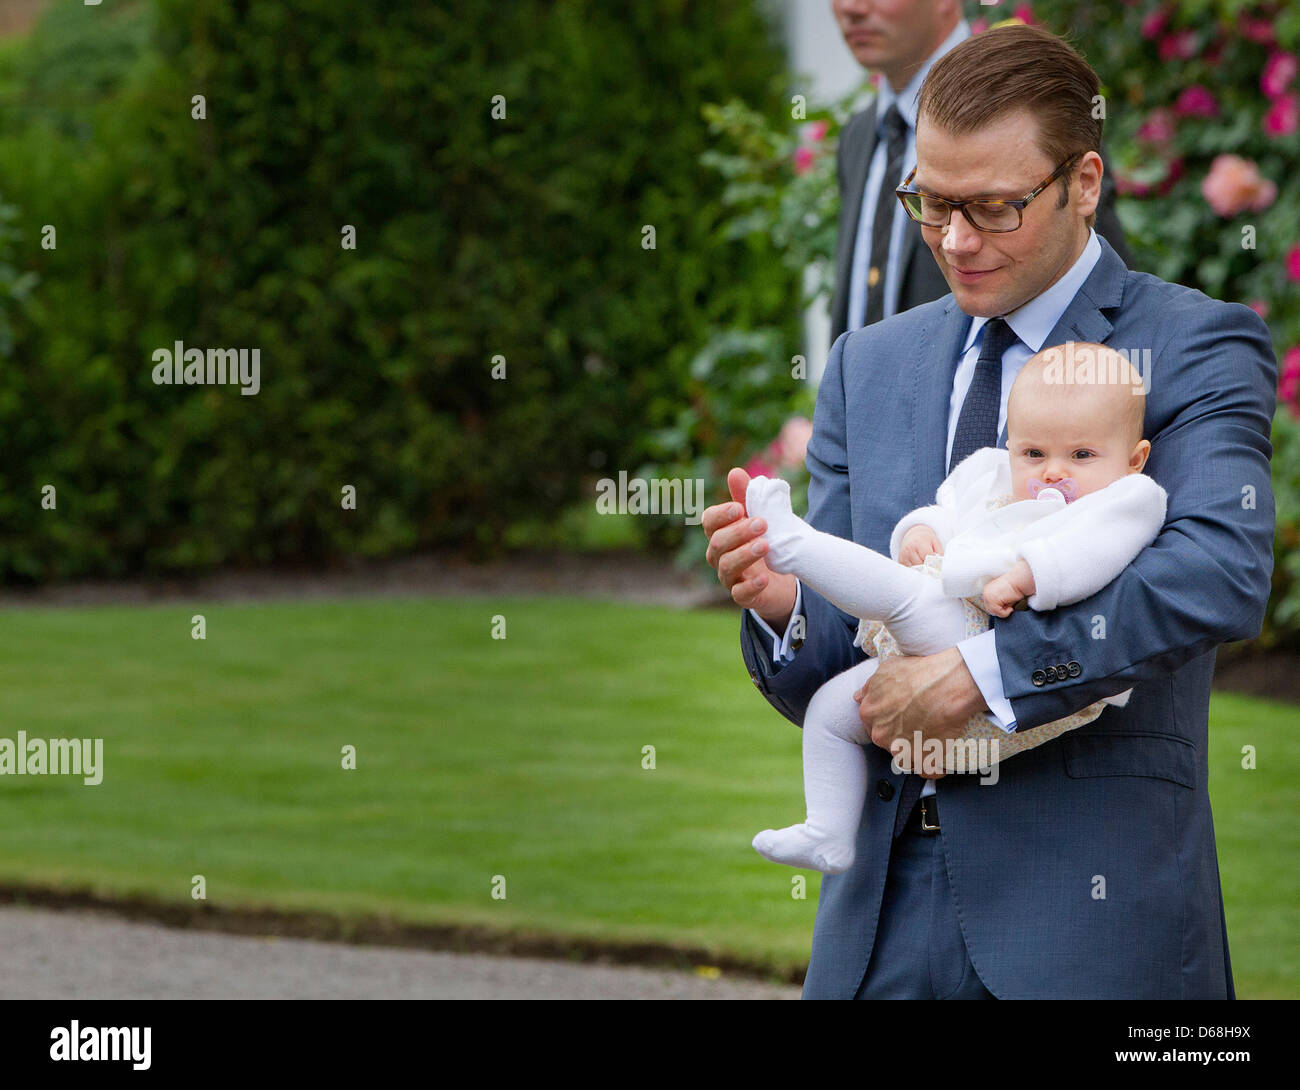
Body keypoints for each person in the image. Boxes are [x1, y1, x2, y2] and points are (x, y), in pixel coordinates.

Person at [702, 24, 1276, 999]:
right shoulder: (866, 365)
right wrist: (782, 602)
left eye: (993, 207)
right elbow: (849, 662)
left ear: (1083, 181)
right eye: (929, 203)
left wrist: (982, 672)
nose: (955, 240)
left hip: (1086, 932)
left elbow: (1215, 573)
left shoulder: (1193, 347)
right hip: (875, 927)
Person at [745, 345, 1165, 874]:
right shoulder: (992, 474)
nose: (1054, 472)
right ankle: (828, 831)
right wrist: (920, 533)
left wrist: (1026, 576)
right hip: (947, 643)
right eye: (1033, 453)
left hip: (1012, 659)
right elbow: (946, 511)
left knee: (904, 597)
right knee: (833, 710)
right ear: (1010, 445)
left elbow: (1090, 554)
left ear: (1133, 458)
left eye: (1082, 456)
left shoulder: (1127, 500)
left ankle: (792, 547)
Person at [826, 0, 1133, 343]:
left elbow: (1104, 299)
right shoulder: (858, 134)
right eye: (934, 204)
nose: (851, 6)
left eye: (992, 208)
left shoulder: (1034, 105)